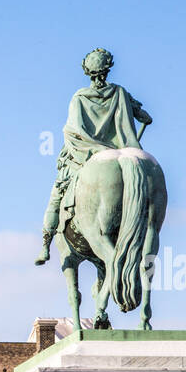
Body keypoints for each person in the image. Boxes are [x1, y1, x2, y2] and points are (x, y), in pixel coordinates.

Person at [36, 47, 152, 265]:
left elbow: (72, 133)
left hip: (84, 155)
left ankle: (45, 244)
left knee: (56, 197)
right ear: (108, 69)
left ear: (87, 72)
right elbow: (146, 118)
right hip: (122, 152)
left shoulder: (79, 98)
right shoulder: (120, 93)